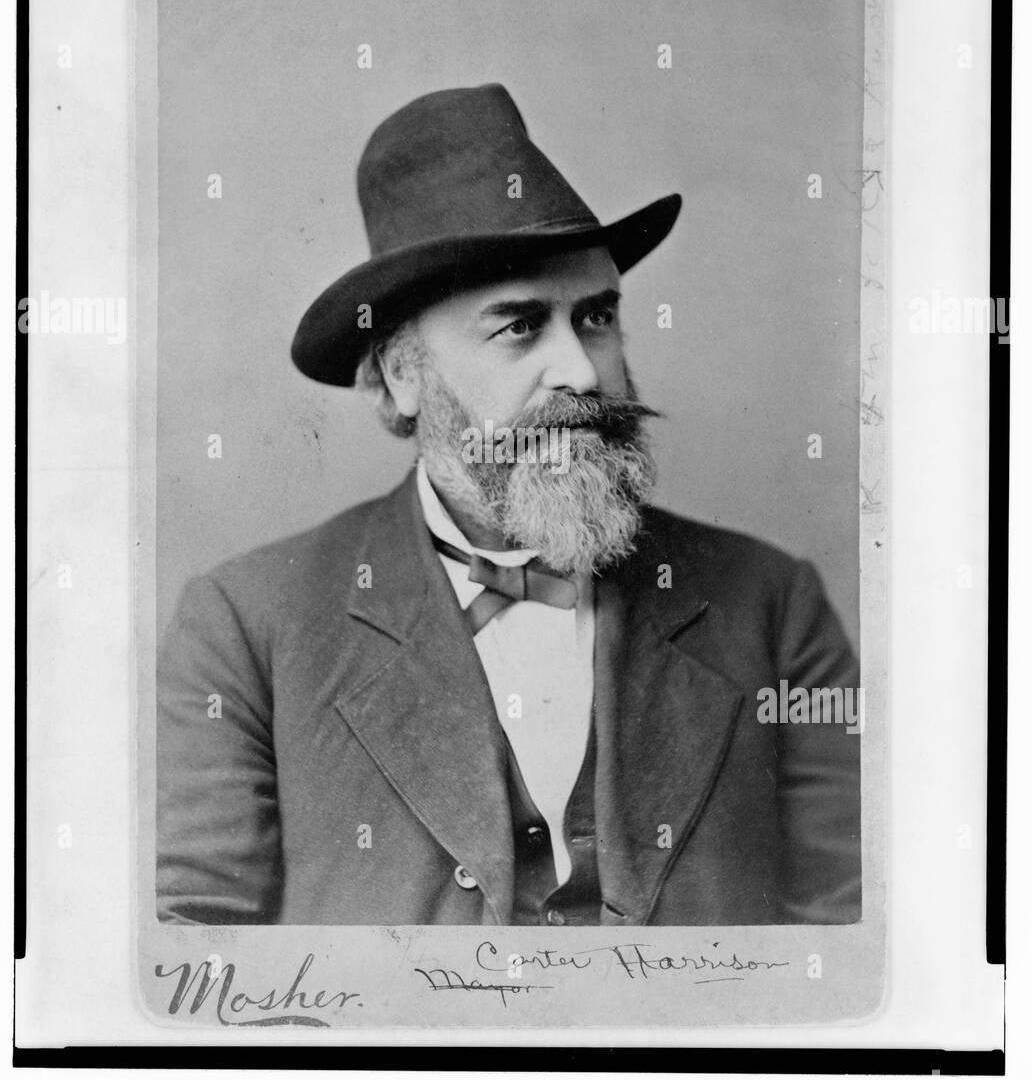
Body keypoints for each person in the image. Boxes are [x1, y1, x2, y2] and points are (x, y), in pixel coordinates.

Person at [157, 82, 861, 928]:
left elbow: (847, 941)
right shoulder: (247, 629)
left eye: (595, 317)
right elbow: (197, 962)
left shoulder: (774, 610)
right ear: (400, 375)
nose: (582, 372)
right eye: (520, 327)